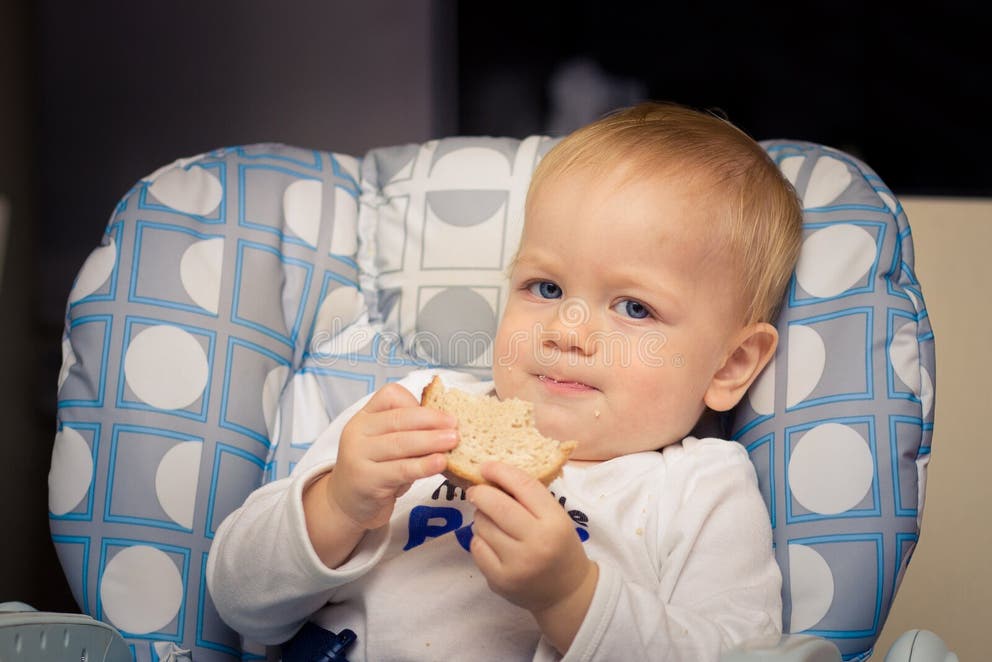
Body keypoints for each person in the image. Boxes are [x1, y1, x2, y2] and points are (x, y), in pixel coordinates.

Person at [206, 101, 804, 661]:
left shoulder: (699, 489)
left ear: (729, 366)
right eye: (546, 288)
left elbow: (739, 652)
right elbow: (241, 605)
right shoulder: (411, 416)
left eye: (634, 308)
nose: (567, 331)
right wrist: (337, 504)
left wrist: (571, 598)